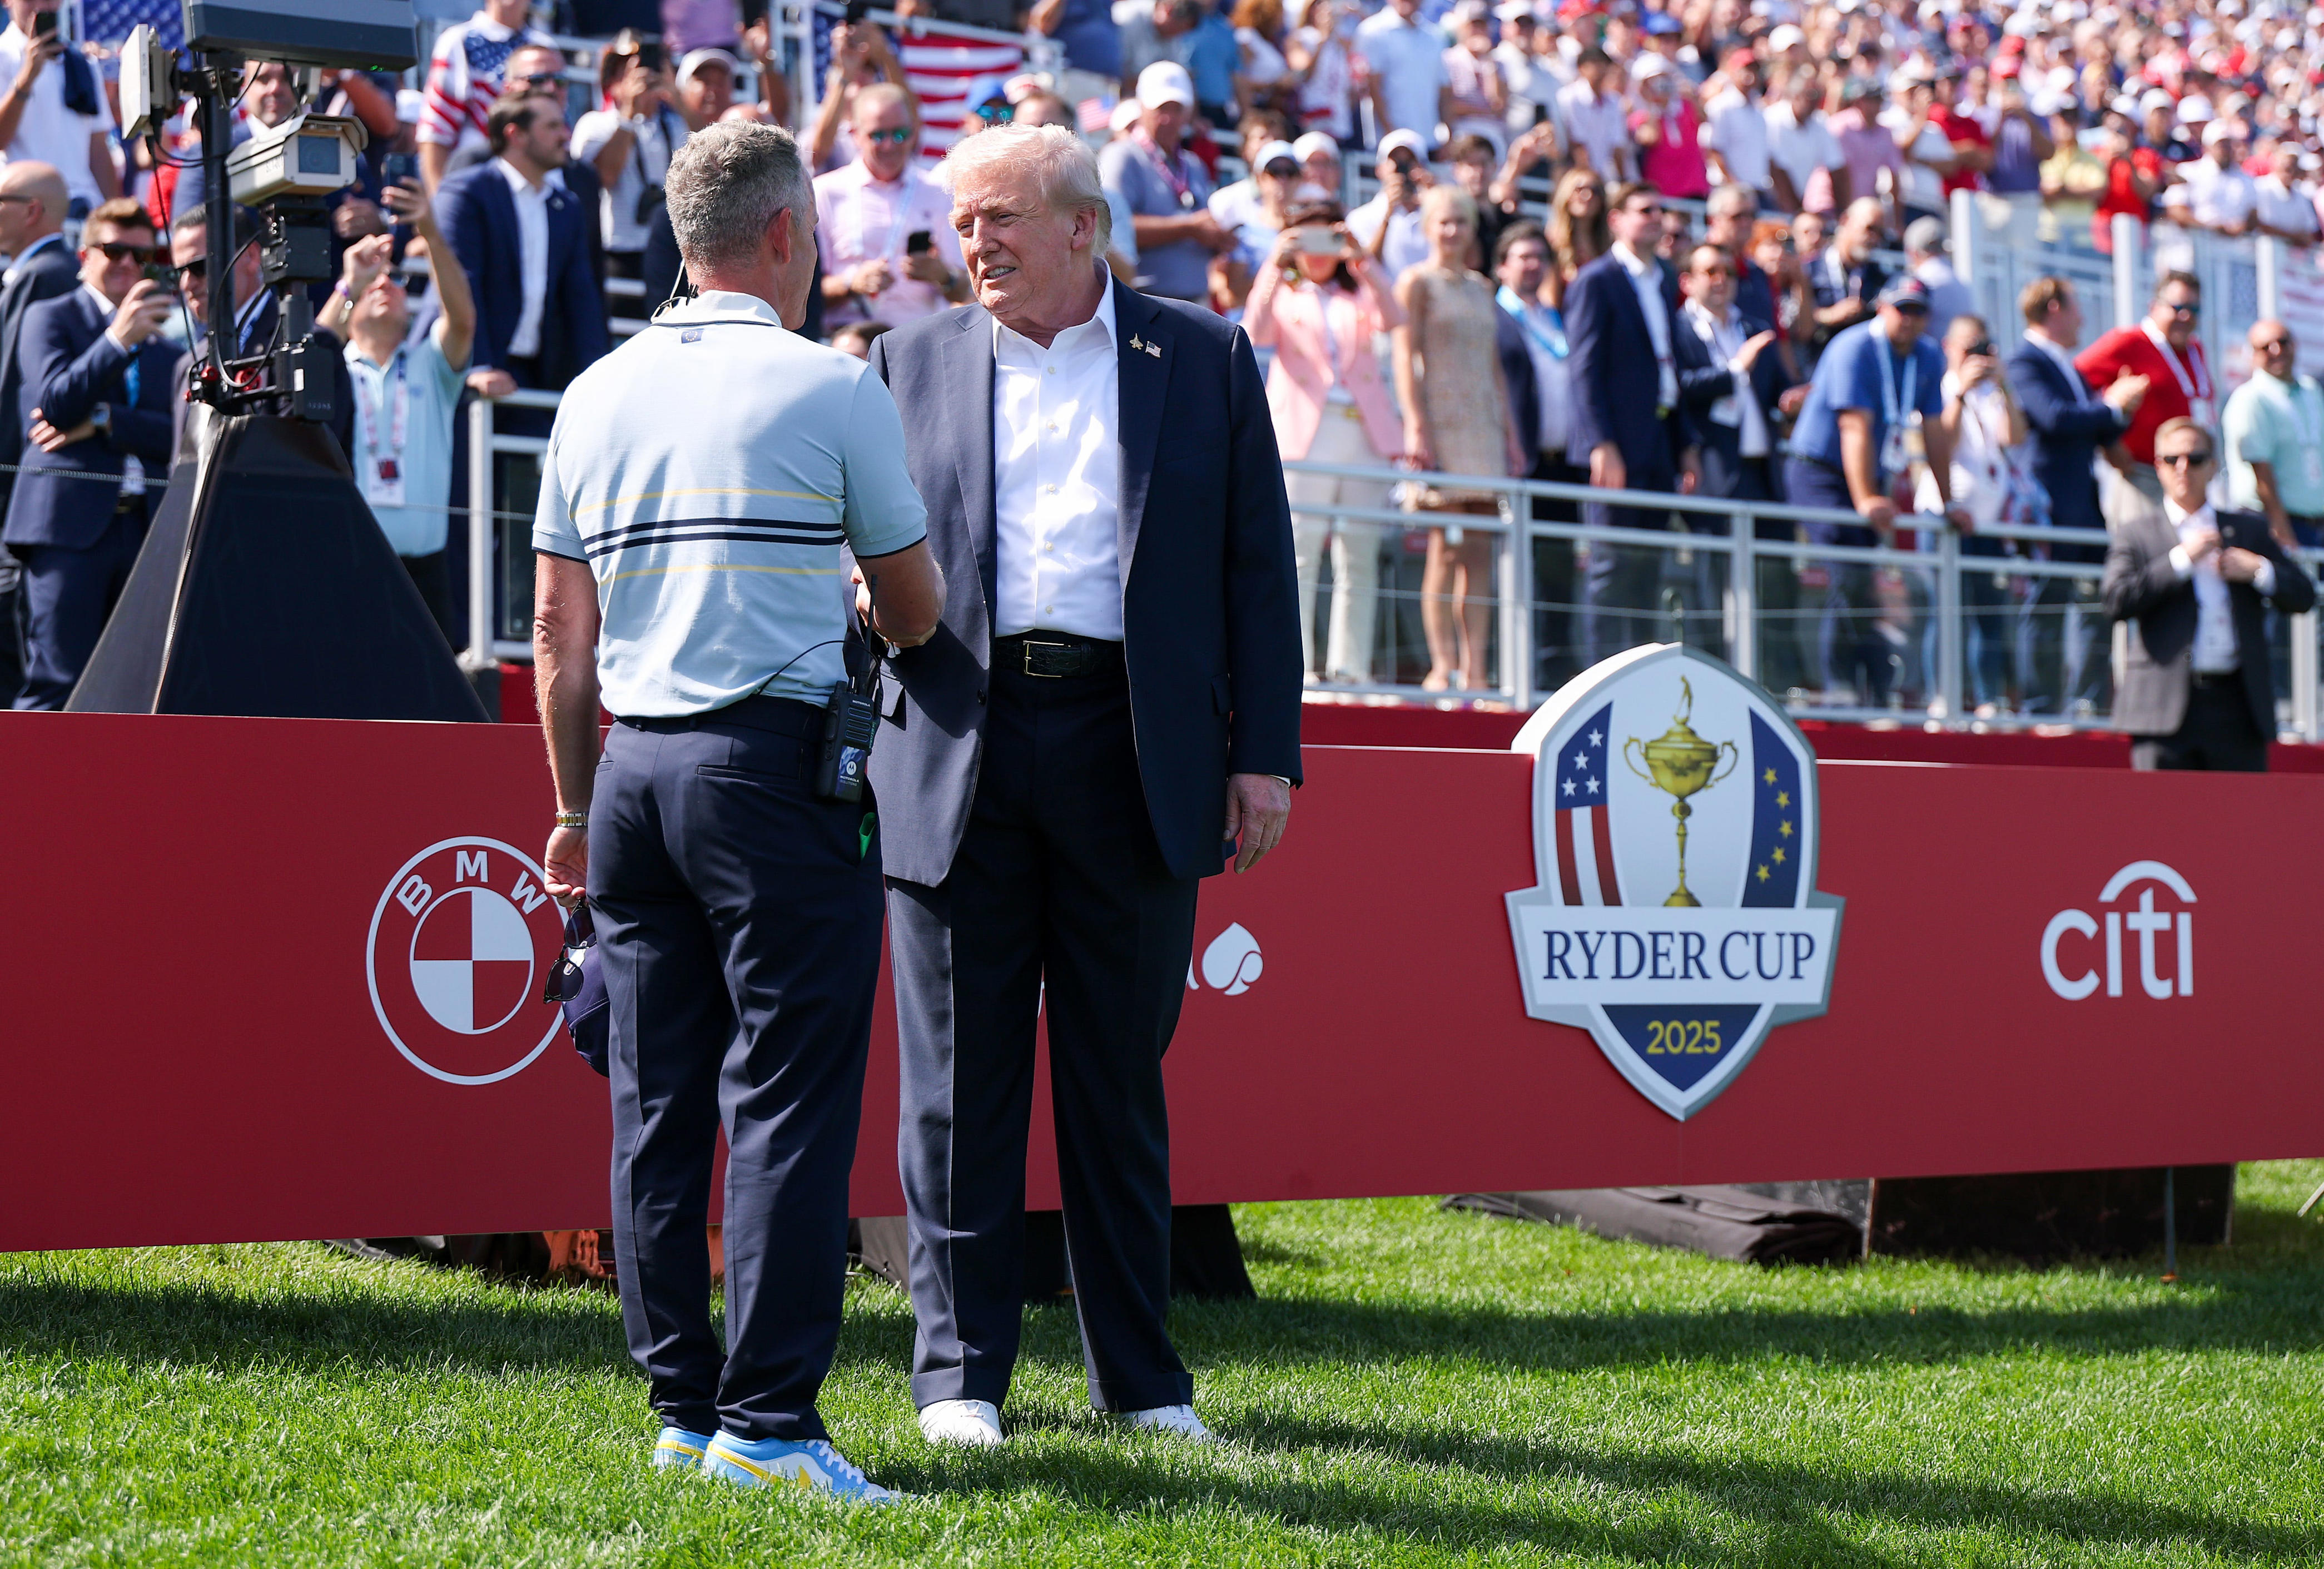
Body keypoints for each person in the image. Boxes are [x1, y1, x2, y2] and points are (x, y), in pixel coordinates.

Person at [865, 122, 1300, 1451]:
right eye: (961, 220)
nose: (973, 242)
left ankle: (1142, 1381)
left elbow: (1256, 569)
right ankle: (958, 1379)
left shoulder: (1205, 358)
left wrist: (1263, 754)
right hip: (959, 738)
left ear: (1081, 227)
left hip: (1134, 749)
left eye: (998, 217)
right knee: (957, 1082)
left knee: (1116, 1078)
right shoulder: (905, 359)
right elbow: (859, 550)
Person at [530, 120, 942, 1498]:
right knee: (785, 1100)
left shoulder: (594, 391)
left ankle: (683, 1410)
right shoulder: (831, 384)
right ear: (781, 235)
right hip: (768, 772)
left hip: (630, 771)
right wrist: (863, 603)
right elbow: (915, 607)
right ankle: (766, 1427)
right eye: (812, 233)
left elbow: (557, 639)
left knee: (655, 1105)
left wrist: (575, 807)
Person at [3, 199, 178, 710]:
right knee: (59, 684)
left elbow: (178, 435)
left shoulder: (165, 342)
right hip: (68, 529)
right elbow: (54, 407)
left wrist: (104, 421)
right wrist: (117, 341)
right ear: (84, 256)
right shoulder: (49, 316)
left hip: (144, 529)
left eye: (143, 256)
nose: (128, 264)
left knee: (141, 692)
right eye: (114, 250)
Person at [1245, 197, 1403, 683]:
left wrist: (1363, 258)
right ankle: (1297, 667)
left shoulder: (1358, 293)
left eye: (1327, 238)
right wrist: (1275, 263)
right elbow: (1253, 332)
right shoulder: (1286, 291)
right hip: (1304, 432)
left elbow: (1395, 317)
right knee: (1299, 551)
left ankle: (1350, 667)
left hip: (1363, 430)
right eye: (1307, 239)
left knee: (1360, 552)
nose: (1318, 252)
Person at [1782, 277, 1958, 705]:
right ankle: (1841, 686)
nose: (1910, 320)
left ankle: (1872, 689)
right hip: (1819, 472)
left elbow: (1935, 431)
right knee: (1850, 572)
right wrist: (1866, 500)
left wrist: (1949, 501)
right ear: (1882, 309)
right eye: (1903, 309)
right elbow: (1853, 426)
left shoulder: (1928, 355)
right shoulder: (1854, 347)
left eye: (1919, 311)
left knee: (1863, 580)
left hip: (1867, 477)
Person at [2103, 417, 2316, 771]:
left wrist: (2259, 570)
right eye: (2172, 459)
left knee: (2240, 808)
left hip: (2238, 706)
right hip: (2162, 708)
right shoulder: (2136, 533)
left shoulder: (2248, 529)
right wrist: (2180, 561)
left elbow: (2304, 596)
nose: (2183, 468)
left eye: (2196, 458)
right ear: (2158, 466)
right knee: (2159, 808)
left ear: (2214, 466)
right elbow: (2115, 600)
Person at [320, 180, 478, 649]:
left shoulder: (430, 364)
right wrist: (350, 282)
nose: (384, 284)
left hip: (426, 573)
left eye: (394, 280)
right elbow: (313, 352)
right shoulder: (335, 368)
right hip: (351, 566)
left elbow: (463, 319)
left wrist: (429, 230)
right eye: (372, 285)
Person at [1395, 185, 1523, 691]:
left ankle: (1475, 673)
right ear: (1428, 228)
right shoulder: (1416, 282)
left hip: (1483, 428)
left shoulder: (1481, 287)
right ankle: (1441, 666)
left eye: (1461, 221)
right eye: (1443, 221)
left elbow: (1494, 368)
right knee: (1444, 550)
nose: (1452, 231)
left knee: (1479, 552)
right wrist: (1416, 424)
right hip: (1441, 423)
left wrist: (1510, 435)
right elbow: (1405, 356)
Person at [1566, 181, 1695, 664]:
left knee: (1647, 570)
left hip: (1658, 442)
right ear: (1616, 219)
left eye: (1660, 210)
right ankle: (1599, 675)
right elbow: (1584, 369)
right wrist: (1601, 442)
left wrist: (1684, 444)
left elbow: (1670, 365)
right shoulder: (1596, 280)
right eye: (1644, 210)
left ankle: (1638, 671)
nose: (1655, 217)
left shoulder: (1664, 278)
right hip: (1617, 445)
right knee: (1611, 566)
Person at [2007, 275, 2144, 720]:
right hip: (2049, 508)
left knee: (2097, 602)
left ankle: (2087, 704)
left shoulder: (2070, 368)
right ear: (2054, 309)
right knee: (2046, 605)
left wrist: (2121, 410)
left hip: (2083, 508)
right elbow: (2055, 418)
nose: (2083, 318)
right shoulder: (2024, 362)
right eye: (2076, 306)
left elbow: (2095, 427)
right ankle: (2041, 708)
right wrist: (2112, 406)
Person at [1672, 240, 1802, 689]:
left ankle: (1775, 682)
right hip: (1712, 472)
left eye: (1728, 271)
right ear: (1687, 281)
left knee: (1776, 580)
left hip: (1761, 473)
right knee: (1714, 582)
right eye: (1710, 271)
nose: (1721, 280)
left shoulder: (1753, 327)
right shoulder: (1678, 329)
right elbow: (1679, 388)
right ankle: (1712, 681)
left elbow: (1778, 388)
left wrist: (1792, 400)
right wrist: (1733, 371)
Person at [435, 93, 613, 404]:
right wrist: (478, 366)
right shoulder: (467, 193)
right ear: (515, 134)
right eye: (552, 126)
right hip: (461, 377)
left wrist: (597, 377)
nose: (565, 136)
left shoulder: (566, 207)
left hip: (533, 375)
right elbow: (462, 283)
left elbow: (581, 299)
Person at [1920, 314, 2034, 716]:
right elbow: (1943, 445)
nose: (1978, 357)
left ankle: (1987, 701)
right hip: (1943, 517)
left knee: (1989, 615)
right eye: (1970, 349)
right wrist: (1961, 393)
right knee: (1945, 612)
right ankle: (1942, 697)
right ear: (1950, 348)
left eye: (1984, 348)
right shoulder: (1938, 388)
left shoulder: (1992, 393)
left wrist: (2003, 385)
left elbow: (2015, 437)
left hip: (1987, 523)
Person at [1493, 221, 1582, 688]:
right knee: (1514, 571)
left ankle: (1554, 670)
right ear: (1502, 267)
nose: (1533, 266)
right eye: (1523, 257)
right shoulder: (1493, 317)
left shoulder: (1555, 317)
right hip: (1515, 464)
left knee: (1558, 572)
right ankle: (1511, 671)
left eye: (1539, 258)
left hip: (1561, 464)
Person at [0, 158, 73, 699]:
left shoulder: (43, 275)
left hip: (19, 496)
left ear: (31, 211)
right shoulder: (33, 272)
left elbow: (11, 396)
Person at [813, 85, 970, 328]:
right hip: (846, 338)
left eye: (900, 134)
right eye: (877, 136)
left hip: (918, 338)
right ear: (855, 134)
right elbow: (805, 291)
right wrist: (851, 283)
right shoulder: (825, 192)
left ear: (914, 132)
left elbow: (966, 290)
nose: (889, 145)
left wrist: (943, 275)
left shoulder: (939, 193)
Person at [1098, 63, 1231, 304]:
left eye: (1177, 109)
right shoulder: (1121, 156)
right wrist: (1189, 227)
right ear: (1141, 108)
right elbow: (1110, 230)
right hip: (1144, 302)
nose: (1169, 119)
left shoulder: (1193, 164)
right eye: (1161, 109)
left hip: (1194, 300)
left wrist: (1218, 237)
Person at [2077, 271, 2213, 504]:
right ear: (2154, 306)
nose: (2186, 316)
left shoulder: (2195, 350)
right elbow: (2071, 382)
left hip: (2190, 477)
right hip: (2141, 478)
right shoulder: (2128, 342)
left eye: (2194, 309)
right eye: (2178, 307)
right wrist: (2108, 439)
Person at [569, 33, 689, 289]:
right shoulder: (595, 124)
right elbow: (602, 179)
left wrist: (676, 95)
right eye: (628, 72)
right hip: (621, 251)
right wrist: (628, 115)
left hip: (672, 249)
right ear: (612, 81)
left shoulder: (677, 123)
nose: (642, 78)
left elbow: (709, 155)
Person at [419, 0, 554, 192]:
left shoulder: (545, 47)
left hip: (535, 187)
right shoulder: (459, 40)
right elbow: (437, 131)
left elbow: (556, 126)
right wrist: (440, 201)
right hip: (475, 187)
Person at [0, 0, 119, 217]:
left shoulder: (83, 63)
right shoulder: (2, 56)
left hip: (83, 208)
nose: (40, 6)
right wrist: (26, 79)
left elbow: (98, 149)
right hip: (25, 211)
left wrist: (118, 213)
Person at [2223, 321, 2324, 553]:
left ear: (2295, 345)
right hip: (2273, 524)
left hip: (2314, 522)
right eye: (2265, 347)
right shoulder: (2251, 398)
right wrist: (2281, 528)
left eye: (2283, 342)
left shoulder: (2311, 390)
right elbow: (2260, 468)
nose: (2276, 351)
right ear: (2253, 355)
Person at [1357, 0, 1451, 146]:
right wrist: (1390, 133)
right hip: (1387, 144)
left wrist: (1448, 138)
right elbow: (1372, 87)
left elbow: (1444, 90)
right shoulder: (1371, 31)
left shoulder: (1435, 36)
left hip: (1429, 141)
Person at [1347, 129, 1433, 284]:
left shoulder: (1437, 213)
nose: (1402, 170)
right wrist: (1387, 217)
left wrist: (1437, 204)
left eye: (1409, 162)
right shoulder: (1360, 218)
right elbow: (1365, 269)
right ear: (1379, 169)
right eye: (1395, 162)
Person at [1807, 196, 1886, 350]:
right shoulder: (1810, 269)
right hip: (1817, 353)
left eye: (1880, 233)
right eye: (1869, 228)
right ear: (1845, 221)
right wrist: (1827, 315)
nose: (1874, 239)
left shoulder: (1878, 278)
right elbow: (1792, 319)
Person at [1557, 47, 1633, 182]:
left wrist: (1622, 181)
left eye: (1604, 64)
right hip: (1576, 177)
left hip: (1604, 178)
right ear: (1581, 68)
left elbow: (1617, 145)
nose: (1601, 69)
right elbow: (1577, 144)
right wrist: (1590, 181)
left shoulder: (1614, 101)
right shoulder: (1570, 98)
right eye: (1595, 64)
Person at [1543, 167, 1609, 310]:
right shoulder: (1552, 243)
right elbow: (1548, 302)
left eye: (1595, 190)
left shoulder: (1609, 246)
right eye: (1579, 189)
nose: (1588, 195)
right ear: (1566, 194)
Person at [1901, 215, 1973, 345]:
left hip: (1934, 355)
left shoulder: (1922, 282)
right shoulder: (1960, 282)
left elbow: (1907, 329)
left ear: (1913, 252)